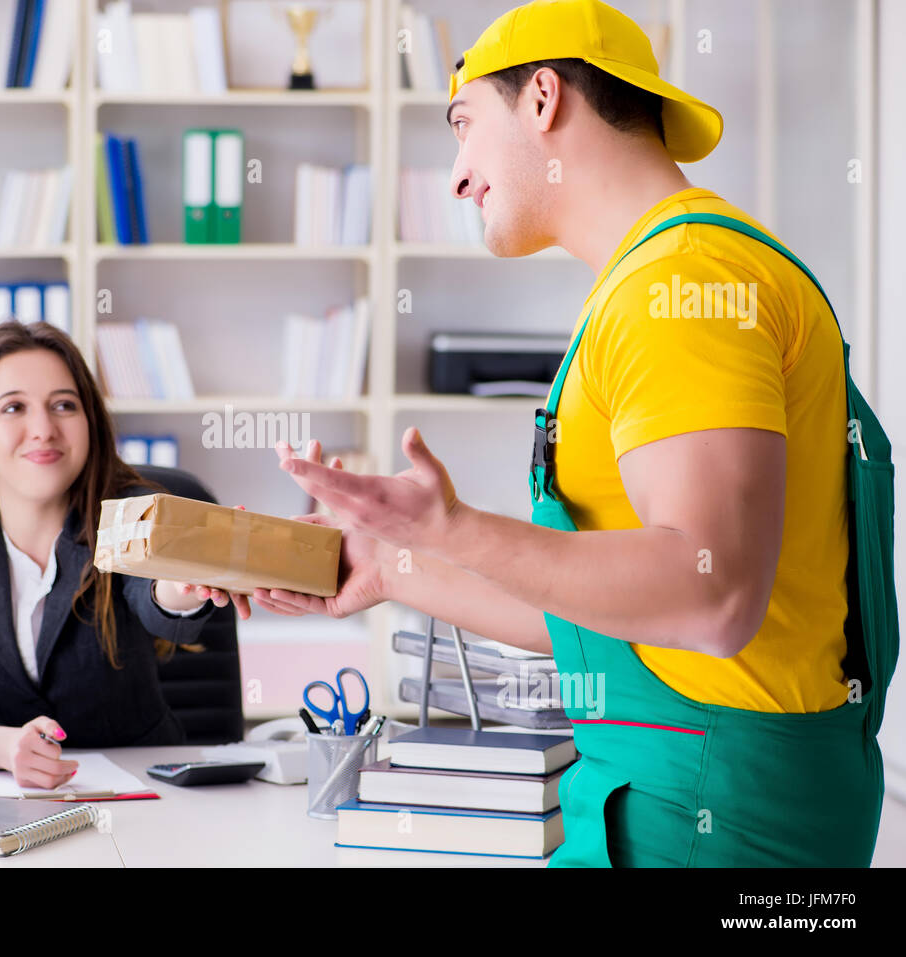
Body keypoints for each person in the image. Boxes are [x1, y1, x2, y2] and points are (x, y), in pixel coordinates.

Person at [251, 0, 893, 866]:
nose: (458, 176)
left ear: (543, 97)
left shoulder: (681, 284)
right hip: (694, 793)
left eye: (463, 124)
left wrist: (454, 527)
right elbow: (609, 614)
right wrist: (391, 564)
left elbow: (715, 595)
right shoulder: (663, 278)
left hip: (708, 817)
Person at [0, 321, 251, 788]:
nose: (43, 429)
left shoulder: (129, 512)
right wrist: (1, 746)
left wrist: (181, 586)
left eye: (64, 405)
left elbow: (153, 593)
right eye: (13, 407)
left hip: (140, 792)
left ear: (90, 424)